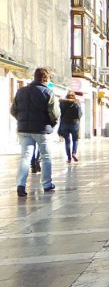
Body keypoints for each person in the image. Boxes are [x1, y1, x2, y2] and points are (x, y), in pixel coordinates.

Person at [11, 67, 59, 197]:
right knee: (46, 157)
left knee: (25, 157)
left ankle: (20, 185)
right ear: (46, 78)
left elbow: (13, 110)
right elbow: (54, 113)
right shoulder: (48, 92)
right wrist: (52, 124)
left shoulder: (21, 91)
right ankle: (47, 184)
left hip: (24, 130)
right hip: (42, 129)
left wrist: (22, 121)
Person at [58, 91, 83, 164]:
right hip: (74, 123)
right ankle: (74, 153)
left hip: (65, 123)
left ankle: (69, 158)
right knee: (75, 140)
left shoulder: (62, 103)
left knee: (67, 141)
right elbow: (80, 114)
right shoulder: (76, 102)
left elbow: (60, 112)